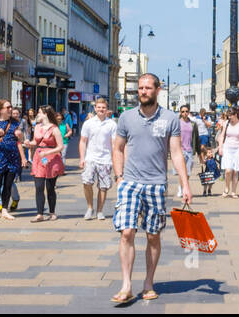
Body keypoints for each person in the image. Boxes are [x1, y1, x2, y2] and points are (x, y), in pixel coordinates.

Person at [111, 73, 191, 305]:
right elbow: (117, 148)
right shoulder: (126, 117)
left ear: (158, 90)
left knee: (153, 235)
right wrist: (119, 177)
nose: (143, 92)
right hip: (130, 183)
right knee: (126, 232)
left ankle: (148, 283)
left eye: (148, 88)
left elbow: (176, 153)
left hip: (156, 184)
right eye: (140, 88)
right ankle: (126, 284)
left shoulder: (170, 118)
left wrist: (185, 184)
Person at [0, 100, 26, 220]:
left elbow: (19, 142)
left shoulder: (14, 123)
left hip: (13, 158)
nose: (10, 109)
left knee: (8, 185)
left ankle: (4, 209)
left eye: (11, 107)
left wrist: (21, 136)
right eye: (8, 107)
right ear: (0, 109)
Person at [79, 96, 116, 220]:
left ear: (107, 110)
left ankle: (100, 211)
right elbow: (83, 141)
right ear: (95, 108)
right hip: (90, 157)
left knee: (103, 186)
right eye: (99, 107)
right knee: (87, 182)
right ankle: (90, 207)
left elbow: (114, 143)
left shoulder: (111, 124)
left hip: (105, 159)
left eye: (103, 108)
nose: (101, 109)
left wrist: (115, 160)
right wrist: (81, 158)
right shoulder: (88, 123)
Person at [29, 105, 65, 222]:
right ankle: (39, 214)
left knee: (50, 188)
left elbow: (60, 146)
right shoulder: (37, 127)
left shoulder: (55, 129)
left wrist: (48, 152)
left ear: (46, 114)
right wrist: (28, 143)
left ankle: (52, 212)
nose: (37, 115)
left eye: (39, 113)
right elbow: (35, 141)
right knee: (39, 187)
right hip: (39, 157)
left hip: (51, 158)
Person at [218, 107, 239, 198]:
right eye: (228, 115)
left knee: (235, 171)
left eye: (231, 115)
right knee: (228, 170)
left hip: (238, 149)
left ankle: (234, 191)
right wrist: (220, 147)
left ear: (235, 115)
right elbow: (222, 135)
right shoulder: (226, 123)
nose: (229, 117)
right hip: (227, 148)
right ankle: (226, 188)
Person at [176, 105, 201, 199]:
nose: (184, 113)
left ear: (189, 112)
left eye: (186, 111)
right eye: (182, 111)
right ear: (180, 112)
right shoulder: (177, 123)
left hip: (190, 150)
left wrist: (199, 153)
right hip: (180, 150)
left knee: (188, 173)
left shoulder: (193, 124)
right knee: (182, 171)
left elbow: (197, 139)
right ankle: (181, 189)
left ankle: (182, 186)